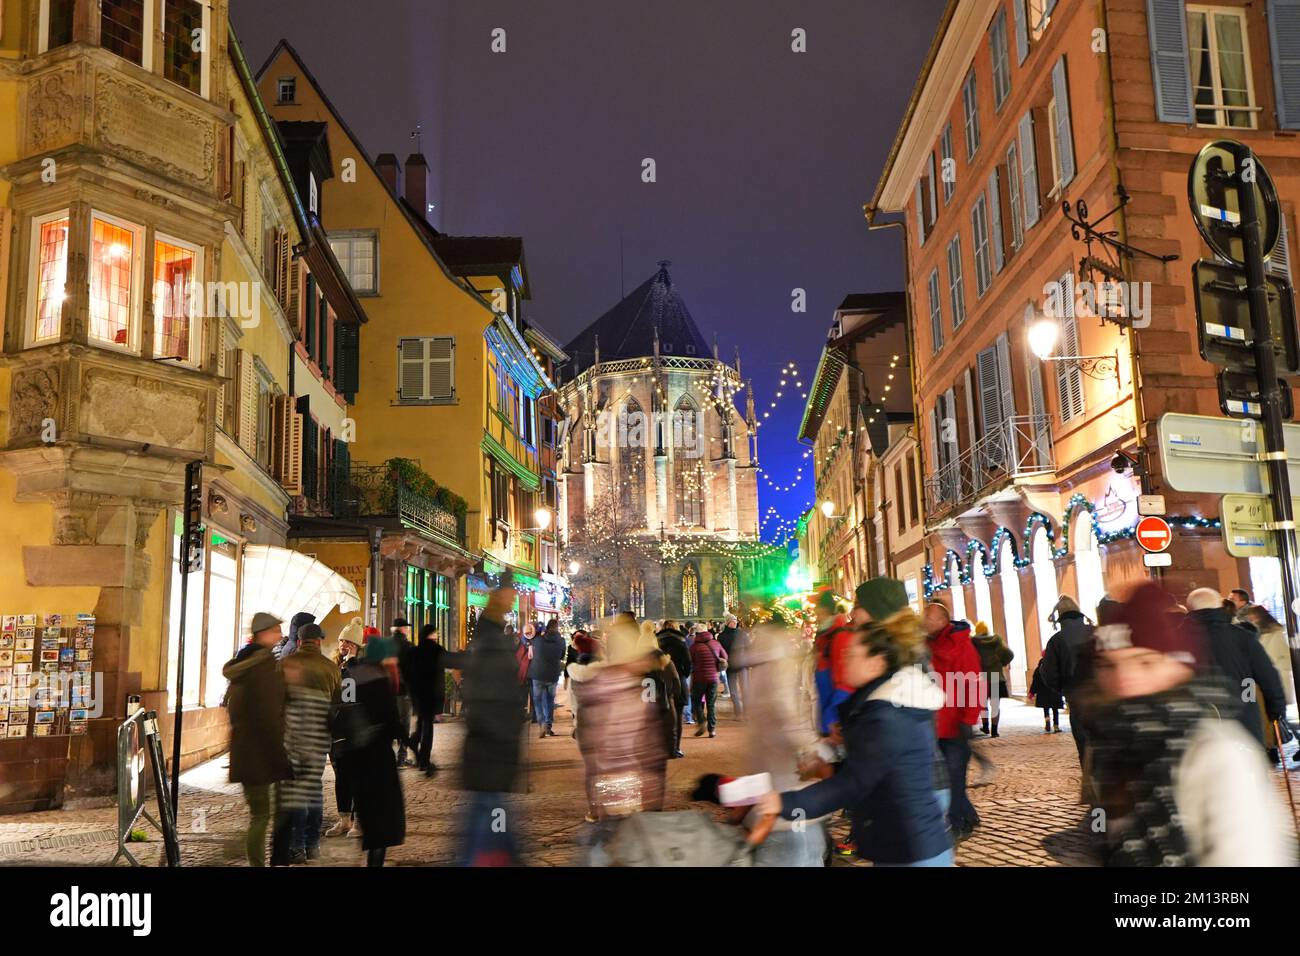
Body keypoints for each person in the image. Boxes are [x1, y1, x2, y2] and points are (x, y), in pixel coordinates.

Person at [1089, 582, 1293, 866]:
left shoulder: (1214, 755)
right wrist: (1275, 711)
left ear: (1177, 668)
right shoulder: (1115, 748)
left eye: (1145, 663)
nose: (1126, 678)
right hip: (1245, 722)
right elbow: (1268, 678)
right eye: (1111, 665)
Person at [758, 586, 953, 867]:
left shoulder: (888, 711)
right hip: (900, 842)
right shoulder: (880, 700)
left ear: (876, 663)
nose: (844, 658)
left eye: (852, 654)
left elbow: (854, 784)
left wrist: (784, 804)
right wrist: (829, 764)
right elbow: (873, 768)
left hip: (913, 848)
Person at [571, 616, 669, 859]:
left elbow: (589, 742)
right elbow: (645, 746)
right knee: (621, 850)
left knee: (613, 850)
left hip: (615, 789)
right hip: (625, 789)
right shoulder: (619, 685)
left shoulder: (602, 681)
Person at [738, 622, 828, 865]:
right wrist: (818, 752)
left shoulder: (757, 674)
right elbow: (790, 723)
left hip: (769, 805)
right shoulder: (780, 671)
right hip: (790, 805)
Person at [455, 573, 528, 866]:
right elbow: (493, 702)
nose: (512, 603)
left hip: (487, 752)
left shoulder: (487, 645)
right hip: (493, 752)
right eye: (509, 599)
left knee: (488, 823)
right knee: (491, 824)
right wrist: (509, 733)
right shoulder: (494, 649)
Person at [222, 612, 293, 867]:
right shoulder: (261, 667)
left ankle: (259, 860)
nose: (280, 635)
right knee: (262, 815)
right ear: (263, 634)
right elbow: (268, 716)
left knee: (262, 813)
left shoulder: (246, 666)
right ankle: (257, 863)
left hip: (248, 751)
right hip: (260, 753)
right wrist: (280, 755)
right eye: (275, 631)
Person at [331, 636, 406, 867]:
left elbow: (341, 709)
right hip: (379, 759)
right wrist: (414, 748)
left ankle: (359, 834)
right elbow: (393, 723)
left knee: (366, 810)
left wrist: (340, 739)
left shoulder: (351, 677)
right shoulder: (381, 681)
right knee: (382, 820)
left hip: (354, 755)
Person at [1181, 588, 1285, 752]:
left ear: (1190, 609)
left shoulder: (1177, 639)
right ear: (1219, 607)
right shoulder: (1242, 637)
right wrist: (1276, 710)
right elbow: (1268, 676)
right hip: (1243, 717)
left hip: (1197, 726)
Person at [278, 622, 341, 863]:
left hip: (292, 737)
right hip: (319, 737)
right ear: (318, 642)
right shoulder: (331, 668)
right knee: (314, 789)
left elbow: (278, 702)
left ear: (300, 641)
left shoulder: (285, 665)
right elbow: (336, 705)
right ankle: (313, 844)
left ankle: (296, 847)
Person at [922, 602, 982, 841]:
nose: (923, 621)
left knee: (954, 776)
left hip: (955, 723)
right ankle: (966, 814)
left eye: (928, 617)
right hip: (935, 723)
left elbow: (973, 682)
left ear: (941, 620)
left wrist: (968, 718)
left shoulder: (961, 644)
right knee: (946, 777)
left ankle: (958, 822)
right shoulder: (926, 644)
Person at [1037, 596, 1095, 768]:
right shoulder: (1097, 631)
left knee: (1084, 745)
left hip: (1077, 697)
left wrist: (1063, 689)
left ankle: (1091, 783)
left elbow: (1049, 674)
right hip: (1105, 695)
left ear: (1059, 615)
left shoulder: (1056, 640)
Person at [326, 619, 365, 838]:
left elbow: (352, 693)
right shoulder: (333, 666)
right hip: (336, 730)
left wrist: (351, 664)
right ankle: (344, 820)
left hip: (355, 731)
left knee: (356, 776)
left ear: (357, 646)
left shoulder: (360, 667)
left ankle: (359, 822)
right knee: (341, 777)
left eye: (349, 642)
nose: (344, 645)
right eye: (342, 640)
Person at [812, 590, 855, 738]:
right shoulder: (825, 632)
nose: (815, 612)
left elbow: (844, 683)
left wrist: (829, 720)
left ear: (824, 609)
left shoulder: (838, 635)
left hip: (834, 723)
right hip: (827, 710)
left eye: (817, 608)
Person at [409, 624, 449, 775]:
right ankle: (424, 760)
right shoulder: (436, 649)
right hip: (432, 694)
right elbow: (450, 661)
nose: (436, 636)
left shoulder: (415, 651)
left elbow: (406, 671)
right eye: (434, 634)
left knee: (422, 723)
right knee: (427, 727)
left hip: (418, 694)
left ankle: (414, 744)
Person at [971, 621, 1013, 737]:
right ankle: (994, 731)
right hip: (995, 676)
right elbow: (1009, 654)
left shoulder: (973, 642)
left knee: (982, 704)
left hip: (981, 678)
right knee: (995, 705)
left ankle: (985, 727)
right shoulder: (996, 641)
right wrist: (1002, 662)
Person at [688, 624, 728, 738]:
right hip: (713, 679)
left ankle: (701, 721)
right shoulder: (716, 643)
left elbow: (689, 661)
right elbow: (725, 656)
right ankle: (712, 730)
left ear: (698, 633)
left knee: (696, 701)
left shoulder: (694, 647)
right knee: (711, 704)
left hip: (699, 678)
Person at [529, 618, 566, 737]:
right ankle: (548, 726)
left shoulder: (538, 639)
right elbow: (561, 656)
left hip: (538, 674)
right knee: (549, 701)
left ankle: (541, 723)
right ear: (556, 627)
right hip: (552, 674)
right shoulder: (561, 641)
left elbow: (527, 637)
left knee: (538, 700)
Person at [657, 619, 692, 735]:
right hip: (679, 679)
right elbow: (688, 663)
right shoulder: (681, 642)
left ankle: (667, 743)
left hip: (661, 679)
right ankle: (676, 746)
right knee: (678, 714)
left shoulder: (656, 642)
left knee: (662, 714)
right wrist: (683, 674)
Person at [389, 617, 416, 767]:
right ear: (403, 629)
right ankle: (401, 756)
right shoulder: (408, 646)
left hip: (387, 691)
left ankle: (389, 756)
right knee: (404, 723)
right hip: (404, 691)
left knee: (389, 722)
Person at [1029, 657, 1062, 734]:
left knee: (1046, 707)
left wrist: (1032, 692)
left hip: (1043, 692)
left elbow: (1035, 682)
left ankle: (1047, 719)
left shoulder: (1038, 669)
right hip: (1054, 691)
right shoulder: (1055, 666)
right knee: (1055, 709)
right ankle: (1056, 726)